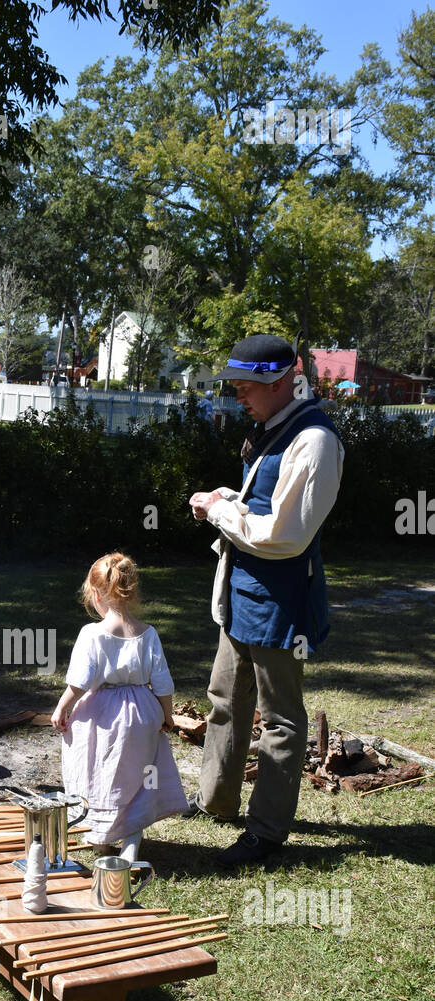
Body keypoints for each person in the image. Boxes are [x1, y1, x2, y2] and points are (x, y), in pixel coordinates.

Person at [186, 332, 344, 868]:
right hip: (242, 593)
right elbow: (262, 502)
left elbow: (285, 534)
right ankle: (216, 802)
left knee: (281, 719)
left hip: (282, 604)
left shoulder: (315, 440)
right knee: (226, 701)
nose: (238, 396)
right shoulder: (270, 428)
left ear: (280, 381)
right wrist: (223, 499)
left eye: (245, 386)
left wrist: (219, 511)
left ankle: (268, 830)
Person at [51, 552, 188, 861]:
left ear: (96, 593)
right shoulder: (148, 633)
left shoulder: (92, 634)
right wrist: (166, 716)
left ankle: (101, 835)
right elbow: (163, 683)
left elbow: (80, 681)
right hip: (142, 712)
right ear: (132, 590)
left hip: (102, 715)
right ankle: (129, 844)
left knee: (102, 772)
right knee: (138, 778)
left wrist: (62, 707)